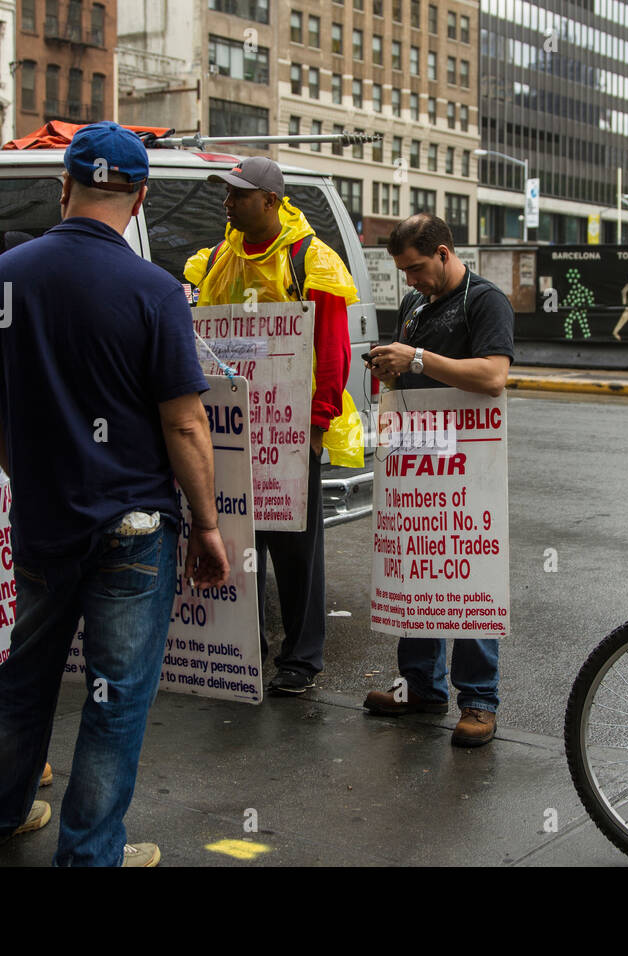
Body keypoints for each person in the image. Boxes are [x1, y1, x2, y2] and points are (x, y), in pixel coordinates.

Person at [0, 121, 229, 866]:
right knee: (116, 696)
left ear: (63, 187)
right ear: (140, 198)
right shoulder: (154, 289)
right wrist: (207, 525)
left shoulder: (5, 275)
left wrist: (24, 469)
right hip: (135, 525)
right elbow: (185, 424)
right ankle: (89, 853)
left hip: (45, 517)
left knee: (25, 674)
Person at [182, 156, 357, 697]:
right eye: (227, 194)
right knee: (236, 535)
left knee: (296, 544)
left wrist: (317, 422)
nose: (228, 202)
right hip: (229, 429)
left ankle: (301, 658)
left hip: (289, 429)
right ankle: (244, 647)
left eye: (239, 194)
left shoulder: (312, 260)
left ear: (271, 202)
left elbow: (333, 351)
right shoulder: (214, 259)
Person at [361, 213, 514, 747]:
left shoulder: (484, 300)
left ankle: (478, 700)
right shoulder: (414, 304)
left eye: (418, 268)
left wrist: (418, 358)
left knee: (468, 572)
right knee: (418, 568)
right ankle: (420, 687)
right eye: (403, 271)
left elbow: (493, 377)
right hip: (415, 458)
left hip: (467, 464)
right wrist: (392, 368)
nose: (411, 280)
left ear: (445, 252)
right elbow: (417, 373)